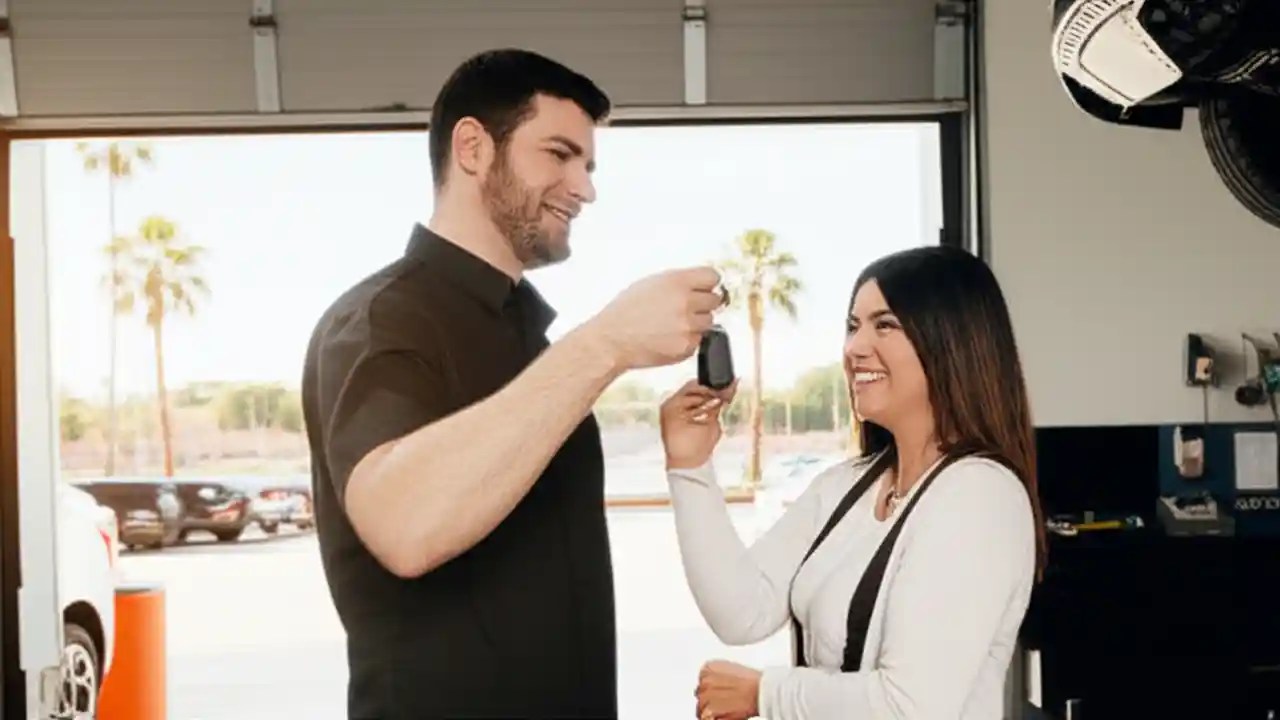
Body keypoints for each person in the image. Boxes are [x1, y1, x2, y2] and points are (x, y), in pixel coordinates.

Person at [301, 48, 725, 719]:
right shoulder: (381, 320)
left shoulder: (529, 341)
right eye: (558, 155)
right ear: (473, 148)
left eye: (587, 165)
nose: (584, 187)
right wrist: (608, 342)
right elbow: (404, 526)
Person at [658, 245, 1046, 720]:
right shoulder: (846, 486)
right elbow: (742, 610)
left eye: (885, 325)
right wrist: (690, 467)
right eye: (852, 325)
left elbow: (911, 706)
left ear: (951, 341)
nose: (855, 347)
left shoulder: (979, 497)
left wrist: (765, 693)